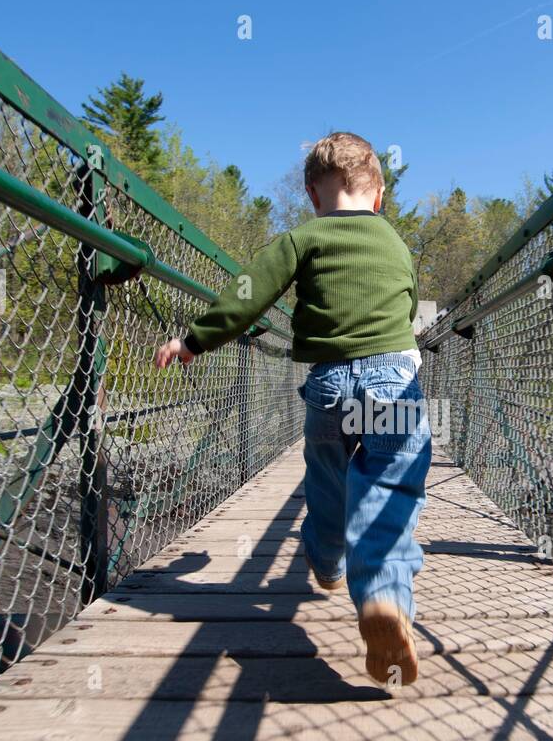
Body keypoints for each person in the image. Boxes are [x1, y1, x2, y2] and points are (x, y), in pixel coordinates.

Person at [154, 132, 429, 686]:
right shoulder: (396, 244)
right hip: (393, 383)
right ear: (379, 196)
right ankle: (383, 598)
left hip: (328, 386)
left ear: (311, 194)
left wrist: (193, 340)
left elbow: (247, 294)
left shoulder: (302, 239)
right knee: (389, 491)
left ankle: (327, 563)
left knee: (328, 484)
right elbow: (404, 303)